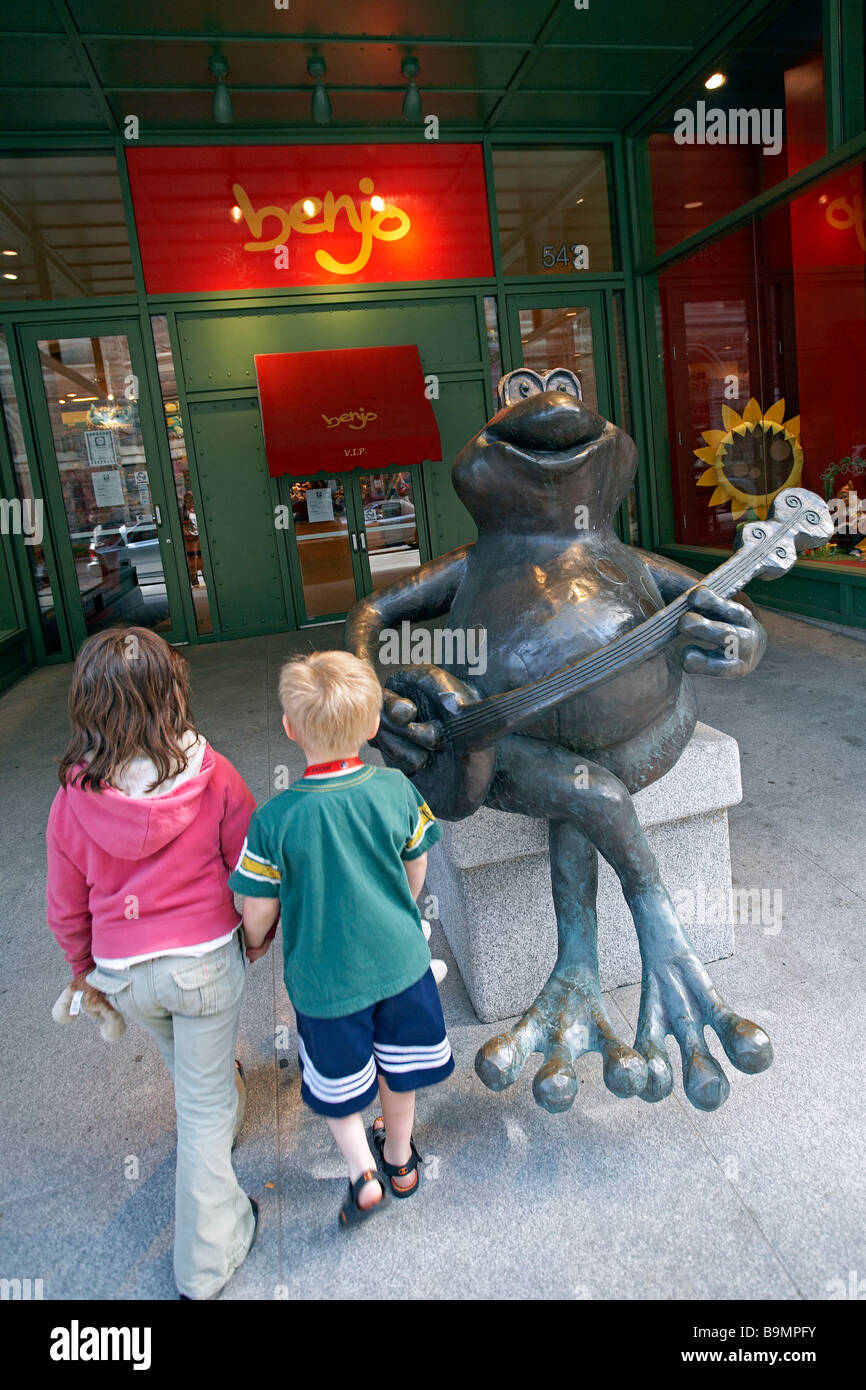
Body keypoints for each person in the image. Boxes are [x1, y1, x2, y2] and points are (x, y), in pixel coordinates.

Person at [45, 627, 258, 1300]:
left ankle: (223, 1109)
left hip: (126, 975)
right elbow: (250, 867)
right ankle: (206, 1260)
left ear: (88, 703)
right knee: (198, 1107)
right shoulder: (213, 773)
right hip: (202, 965)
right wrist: (253, 939)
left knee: (191, 1070)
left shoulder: (72, 797)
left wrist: (84, 969)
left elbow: (64, 902)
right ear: (171, 693)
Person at [231, 649, 453, 1226]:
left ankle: (362, 1172)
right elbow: (415, 869)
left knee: (337, 1083)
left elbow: (257, 908)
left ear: (289, 728)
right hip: (402, 965)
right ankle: (401, 1160)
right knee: (399, 1069)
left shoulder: (275, 819)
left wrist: (254, 942)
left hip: (325, 983)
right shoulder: (395, 790)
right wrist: (400, 905)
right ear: (374, 725)